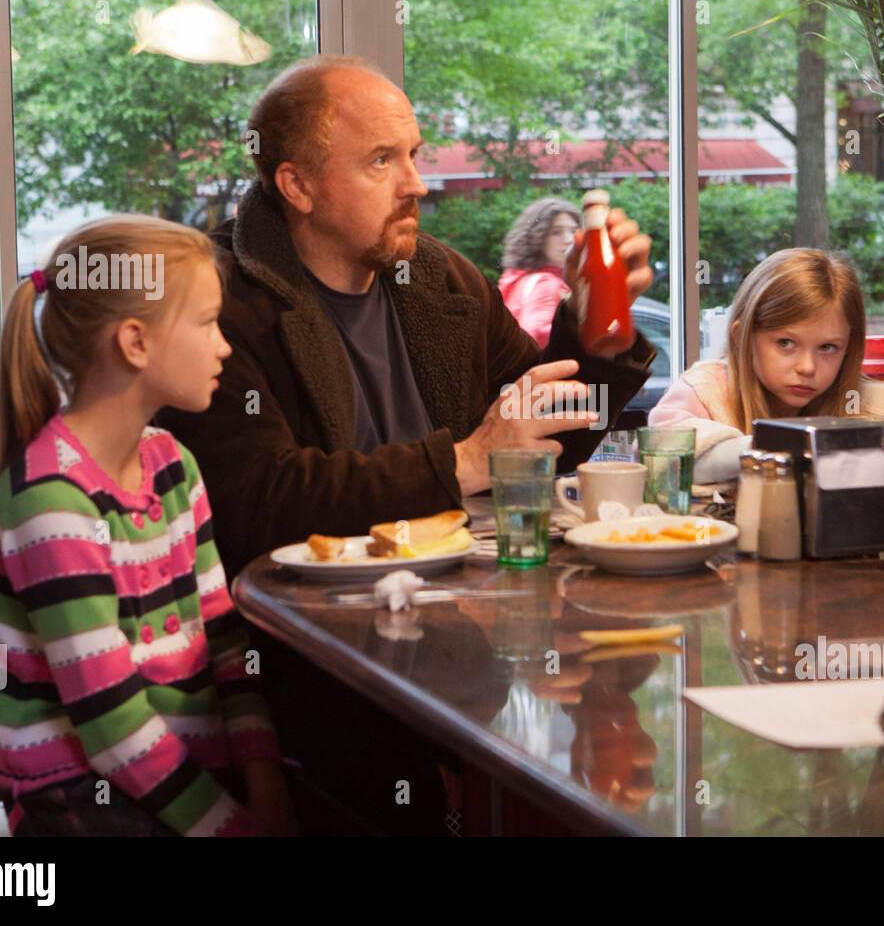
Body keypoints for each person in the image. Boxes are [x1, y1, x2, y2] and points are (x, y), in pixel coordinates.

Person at [154, 54, 657, 834]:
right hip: (299, 670)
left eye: (415, 154)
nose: (418, 183)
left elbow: (538, 442)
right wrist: (464, 461)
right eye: (382, 161)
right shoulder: (218, 302)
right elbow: (258, 504)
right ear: (297, 185)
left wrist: (593, 337)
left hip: (464, 644)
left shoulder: (441, 280)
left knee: (610, 693)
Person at [0, 215, 295, 837]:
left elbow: (224, 640)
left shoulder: (172, 464)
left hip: (170, 767)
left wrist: (264, 777)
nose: (224, 346)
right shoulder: (50, 503)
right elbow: (112, 727)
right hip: (75, 793)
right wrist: (234, 828)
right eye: (207, 322)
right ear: (135, 343)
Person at [649, 248, 884, 484]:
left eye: (827, 348)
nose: (807, 367)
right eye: (785, 343)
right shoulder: (706, 392)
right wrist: (769, 450)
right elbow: (662, 454)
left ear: (849, 349)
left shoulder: (868, 405)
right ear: (742, 338)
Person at [497, 197, 580, 346]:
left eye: (573, 231)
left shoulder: (522, 278)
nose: (569, 239)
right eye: (556, 232)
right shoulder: (547, 283)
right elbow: (536, 334)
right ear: (538, 237)